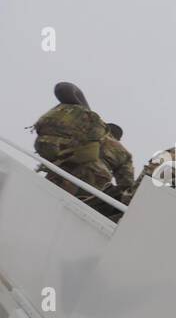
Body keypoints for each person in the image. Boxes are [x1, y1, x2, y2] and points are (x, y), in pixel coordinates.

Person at [29, 82, 120, 217]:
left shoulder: (103, 162)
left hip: (69, 205)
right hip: (59, 198)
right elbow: (63, 88)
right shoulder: (87, 142)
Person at [101, 123, 135, 203]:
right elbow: (127, 183)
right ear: (118, 139)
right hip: (92, 185)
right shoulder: (123, 153)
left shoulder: (87, 133)